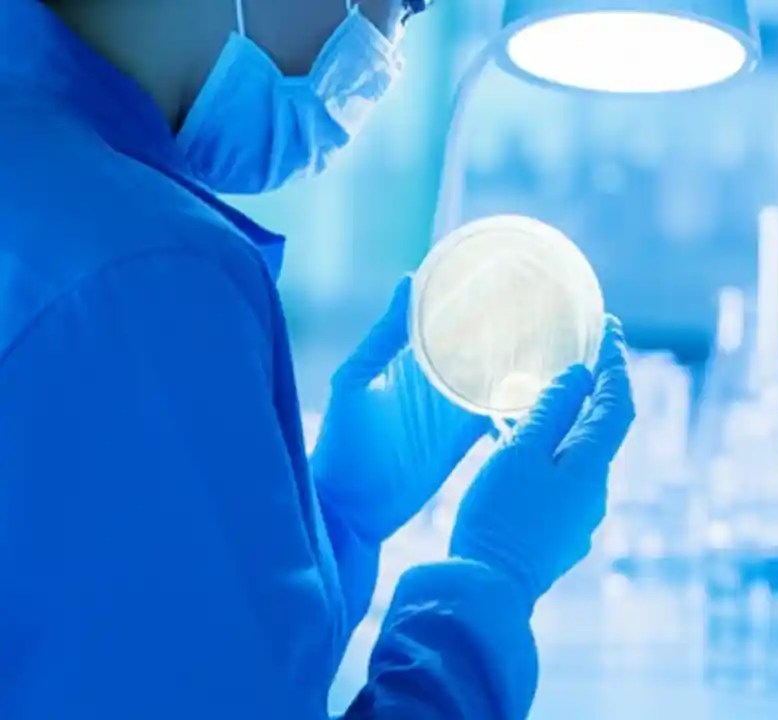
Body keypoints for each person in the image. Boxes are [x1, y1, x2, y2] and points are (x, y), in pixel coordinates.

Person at [0, 0, 635, 717]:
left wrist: (335, 517)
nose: (391, 43)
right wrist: (490, 584)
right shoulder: (143, 274)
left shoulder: (38, 169)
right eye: (407, 4)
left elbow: (129, 652)